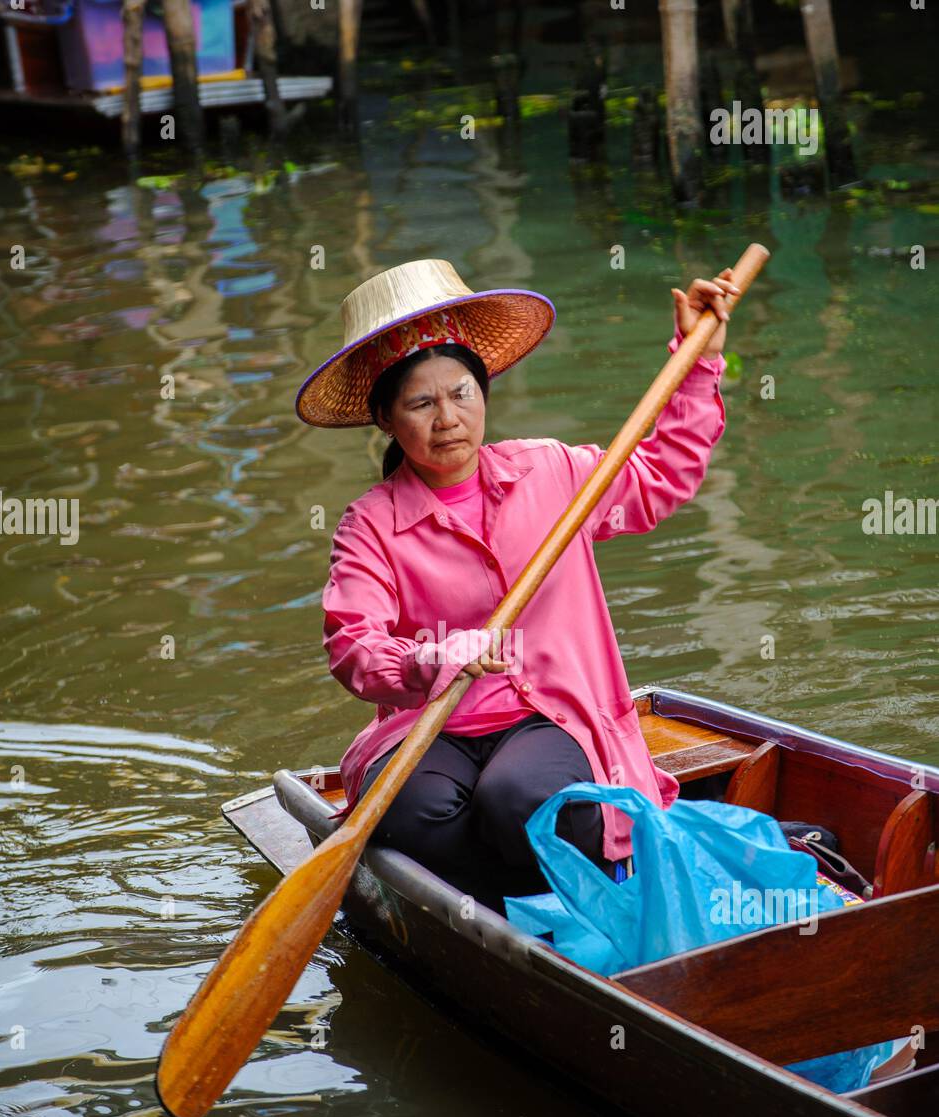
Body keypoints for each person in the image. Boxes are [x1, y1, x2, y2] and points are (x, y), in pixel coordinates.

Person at [296, 258, 735, 914]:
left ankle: (556, 902)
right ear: (386, 417)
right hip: (433, 724)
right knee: (404, 810)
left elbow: (662, 475)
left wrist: (698, 359)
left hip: (550, 715)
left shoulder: (552, 472)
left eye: (461, 393)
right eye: (421, 402)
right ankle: (513, 913)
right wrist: (437, 659)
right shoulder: (371, 524)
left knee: (522, 800)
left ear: (483, 393)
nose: (447, 418)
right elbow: (354, 650)